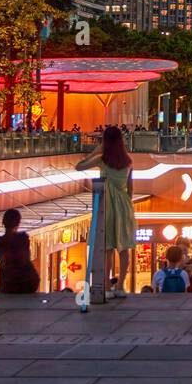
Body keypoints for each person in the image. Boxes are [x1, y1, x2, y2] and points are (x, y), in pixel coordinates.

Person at [75, 127, 136, 298]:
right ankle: (121, 287)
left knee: (107, 247)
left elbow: (78, 167)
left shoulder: (102, 160)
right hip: (124, 206)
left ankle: (107, 287)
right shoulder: (128, 161)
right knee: (124, 248)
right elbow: (130, 190)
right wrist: (127, 206)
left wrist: (95, 150)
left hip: (107, 204)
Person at [0, 208, 40, 294]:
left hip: (8, 284)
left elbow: (3, 263)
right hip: (27, 283)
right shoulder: (23, 238)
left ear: (3, 223)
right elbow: (25, 260)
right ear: (18, 223)